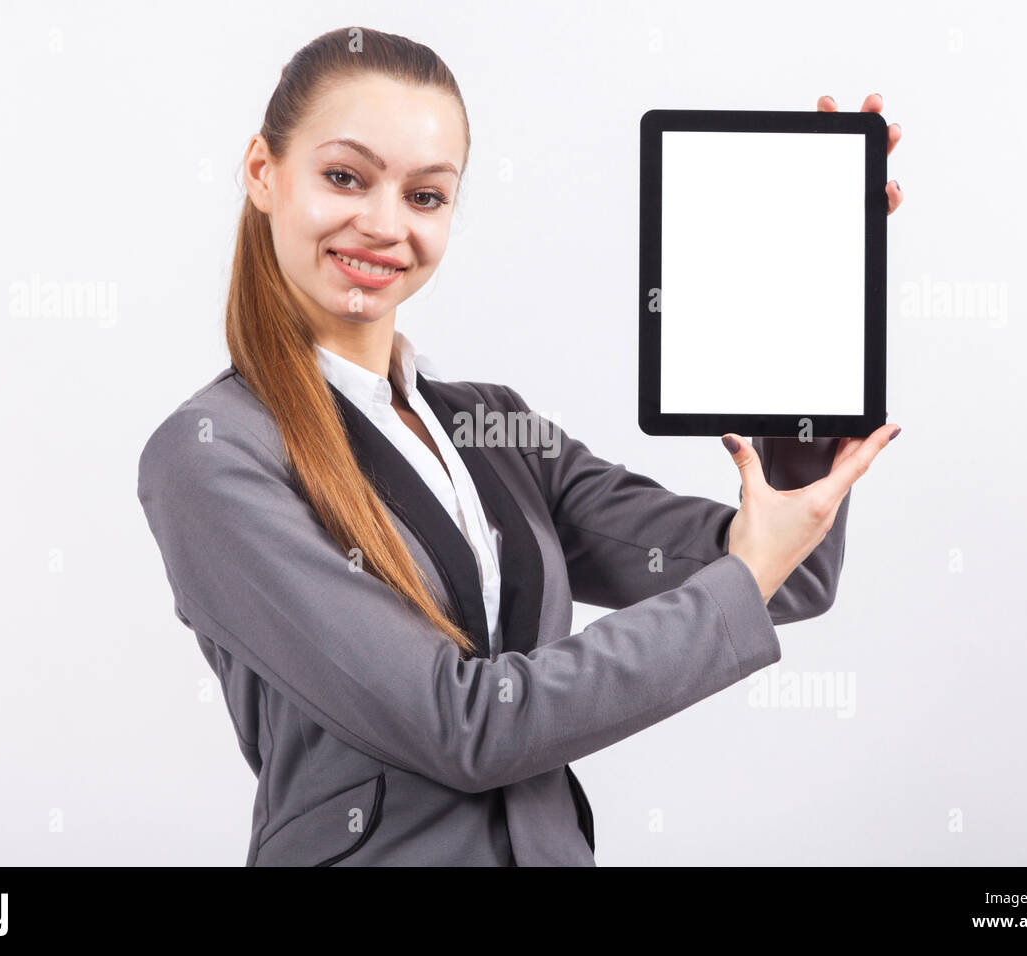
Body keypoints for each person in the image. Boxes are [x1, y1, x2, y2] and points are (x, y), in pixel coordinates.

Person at [136, 25, 904, 866]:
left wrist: (806, 292)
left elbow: (781, 574)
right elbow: (462, 727)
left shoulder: (490, 425)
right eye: (345, 177)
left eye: (426, 196)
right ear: (263, 172)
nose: (385, 225)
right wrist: (752, 569)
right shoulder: (212, 457)